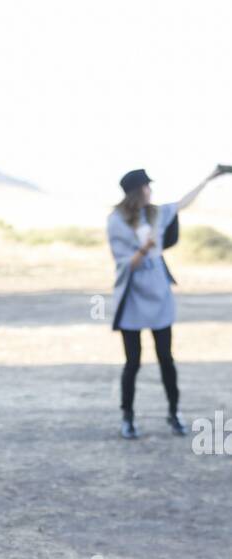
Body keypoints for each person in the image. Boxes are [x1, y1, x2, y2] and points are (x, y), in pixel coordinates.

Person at [107, 165, 229, 438]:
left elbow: (183, 203)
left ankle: (174, 413)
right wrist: (144, 249)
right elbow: (124, 264)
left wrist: (208, 178)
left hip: (159, 295)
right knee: (133, 362)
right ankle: (127, 417)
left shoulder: (156, 213)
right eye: (147, 186)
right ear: (136, 191)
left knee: (166, 359)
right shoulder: (116, 221)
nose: (151, 190)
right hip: (132, 298)